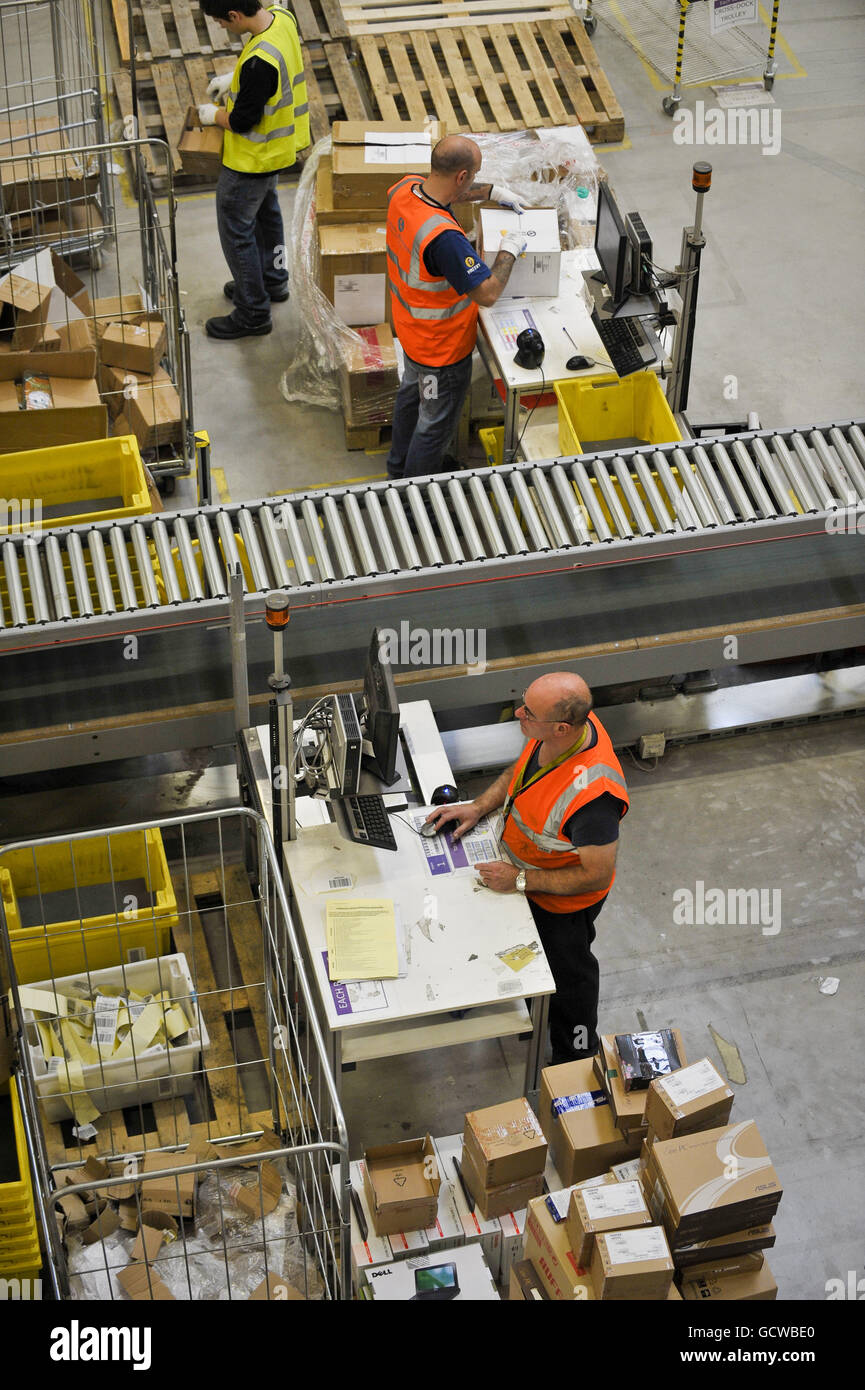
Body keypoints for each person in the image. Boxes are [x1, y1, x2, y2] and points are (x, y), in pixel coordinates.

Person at [426, 673, 628, 1065]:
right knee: (496, 940)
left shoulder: (594, 799)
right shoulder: (555, 733)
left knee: (569, 979)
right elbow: (520, 775)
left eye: (527, 711)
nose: (518, 712)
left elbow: (596, 875)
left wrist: (518, 880)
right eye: (523, 702)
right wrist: (479, 806)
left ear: (561, 727)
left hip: (562, 903)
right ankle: (481, 994)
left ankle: (576, 1058)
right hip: (517, 869)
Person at [385, 134, 529, 481]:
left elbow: (446, 191)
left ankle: (397, 467)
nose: (474, 181)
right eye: (475, 175)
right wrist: (509, 250)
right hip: (440, 350)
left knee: (411, 397)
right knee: (433, 424)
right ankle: (416, 500)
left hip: (410, 332)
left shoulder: (405, 190)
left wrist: (492, 193)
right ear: (462, 175)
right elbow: (488, 293)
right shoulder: (444, 239)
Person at [197, 1, 310, 340]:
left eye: (220, 21)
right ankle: (274, 282)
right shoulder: (281, 18)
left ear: (235, 15)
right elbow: (276, 75)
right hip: (278, 151)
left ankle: (253, 312)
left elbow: (241, 120)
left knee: (237, 231)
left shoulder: (260, 60)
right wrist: (239, 81)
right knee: (267, 215)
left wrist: (210, 115)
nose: (221, 26)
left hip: (252, 159)